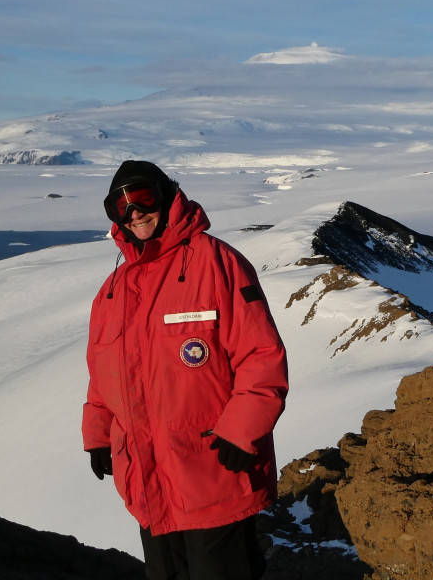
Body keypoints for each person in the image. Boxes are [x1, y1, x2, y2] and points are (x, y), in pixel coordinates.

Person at [82, 160, 289, 580]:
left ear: (167, 193)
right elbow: (104, 372)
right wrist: (99, 432)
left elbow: (261, 354)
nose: (133, 213)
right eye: (118, 206)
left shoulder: (217, 263)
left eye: (142, 198)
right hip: (146, 477)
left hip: (215, 471)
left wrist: (242, 430)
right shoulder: (114, 289)